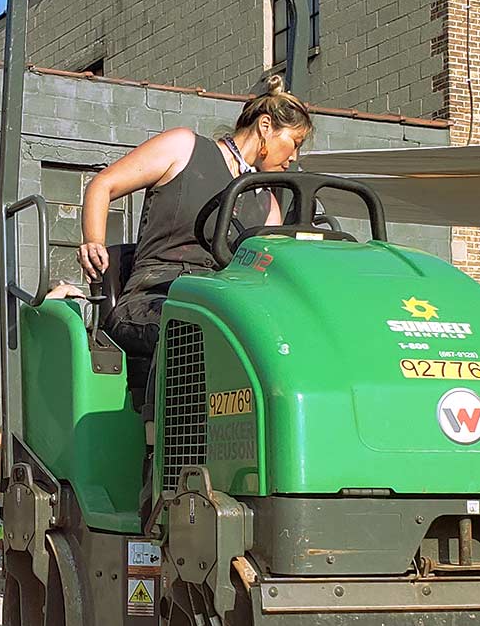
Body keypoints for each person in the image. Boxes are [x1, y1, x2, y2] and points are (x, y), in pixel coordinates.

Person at [78, 76, 312, 410]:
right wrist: (93, 242)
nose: (294, 158)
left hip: (219, 304)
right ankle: (159, 445)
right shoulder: (183, 148)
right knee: (197, 332)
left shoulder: (269, 205)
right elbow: (103, 185)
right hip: (154, 296)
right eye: (295, 142)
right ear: (265, 127)